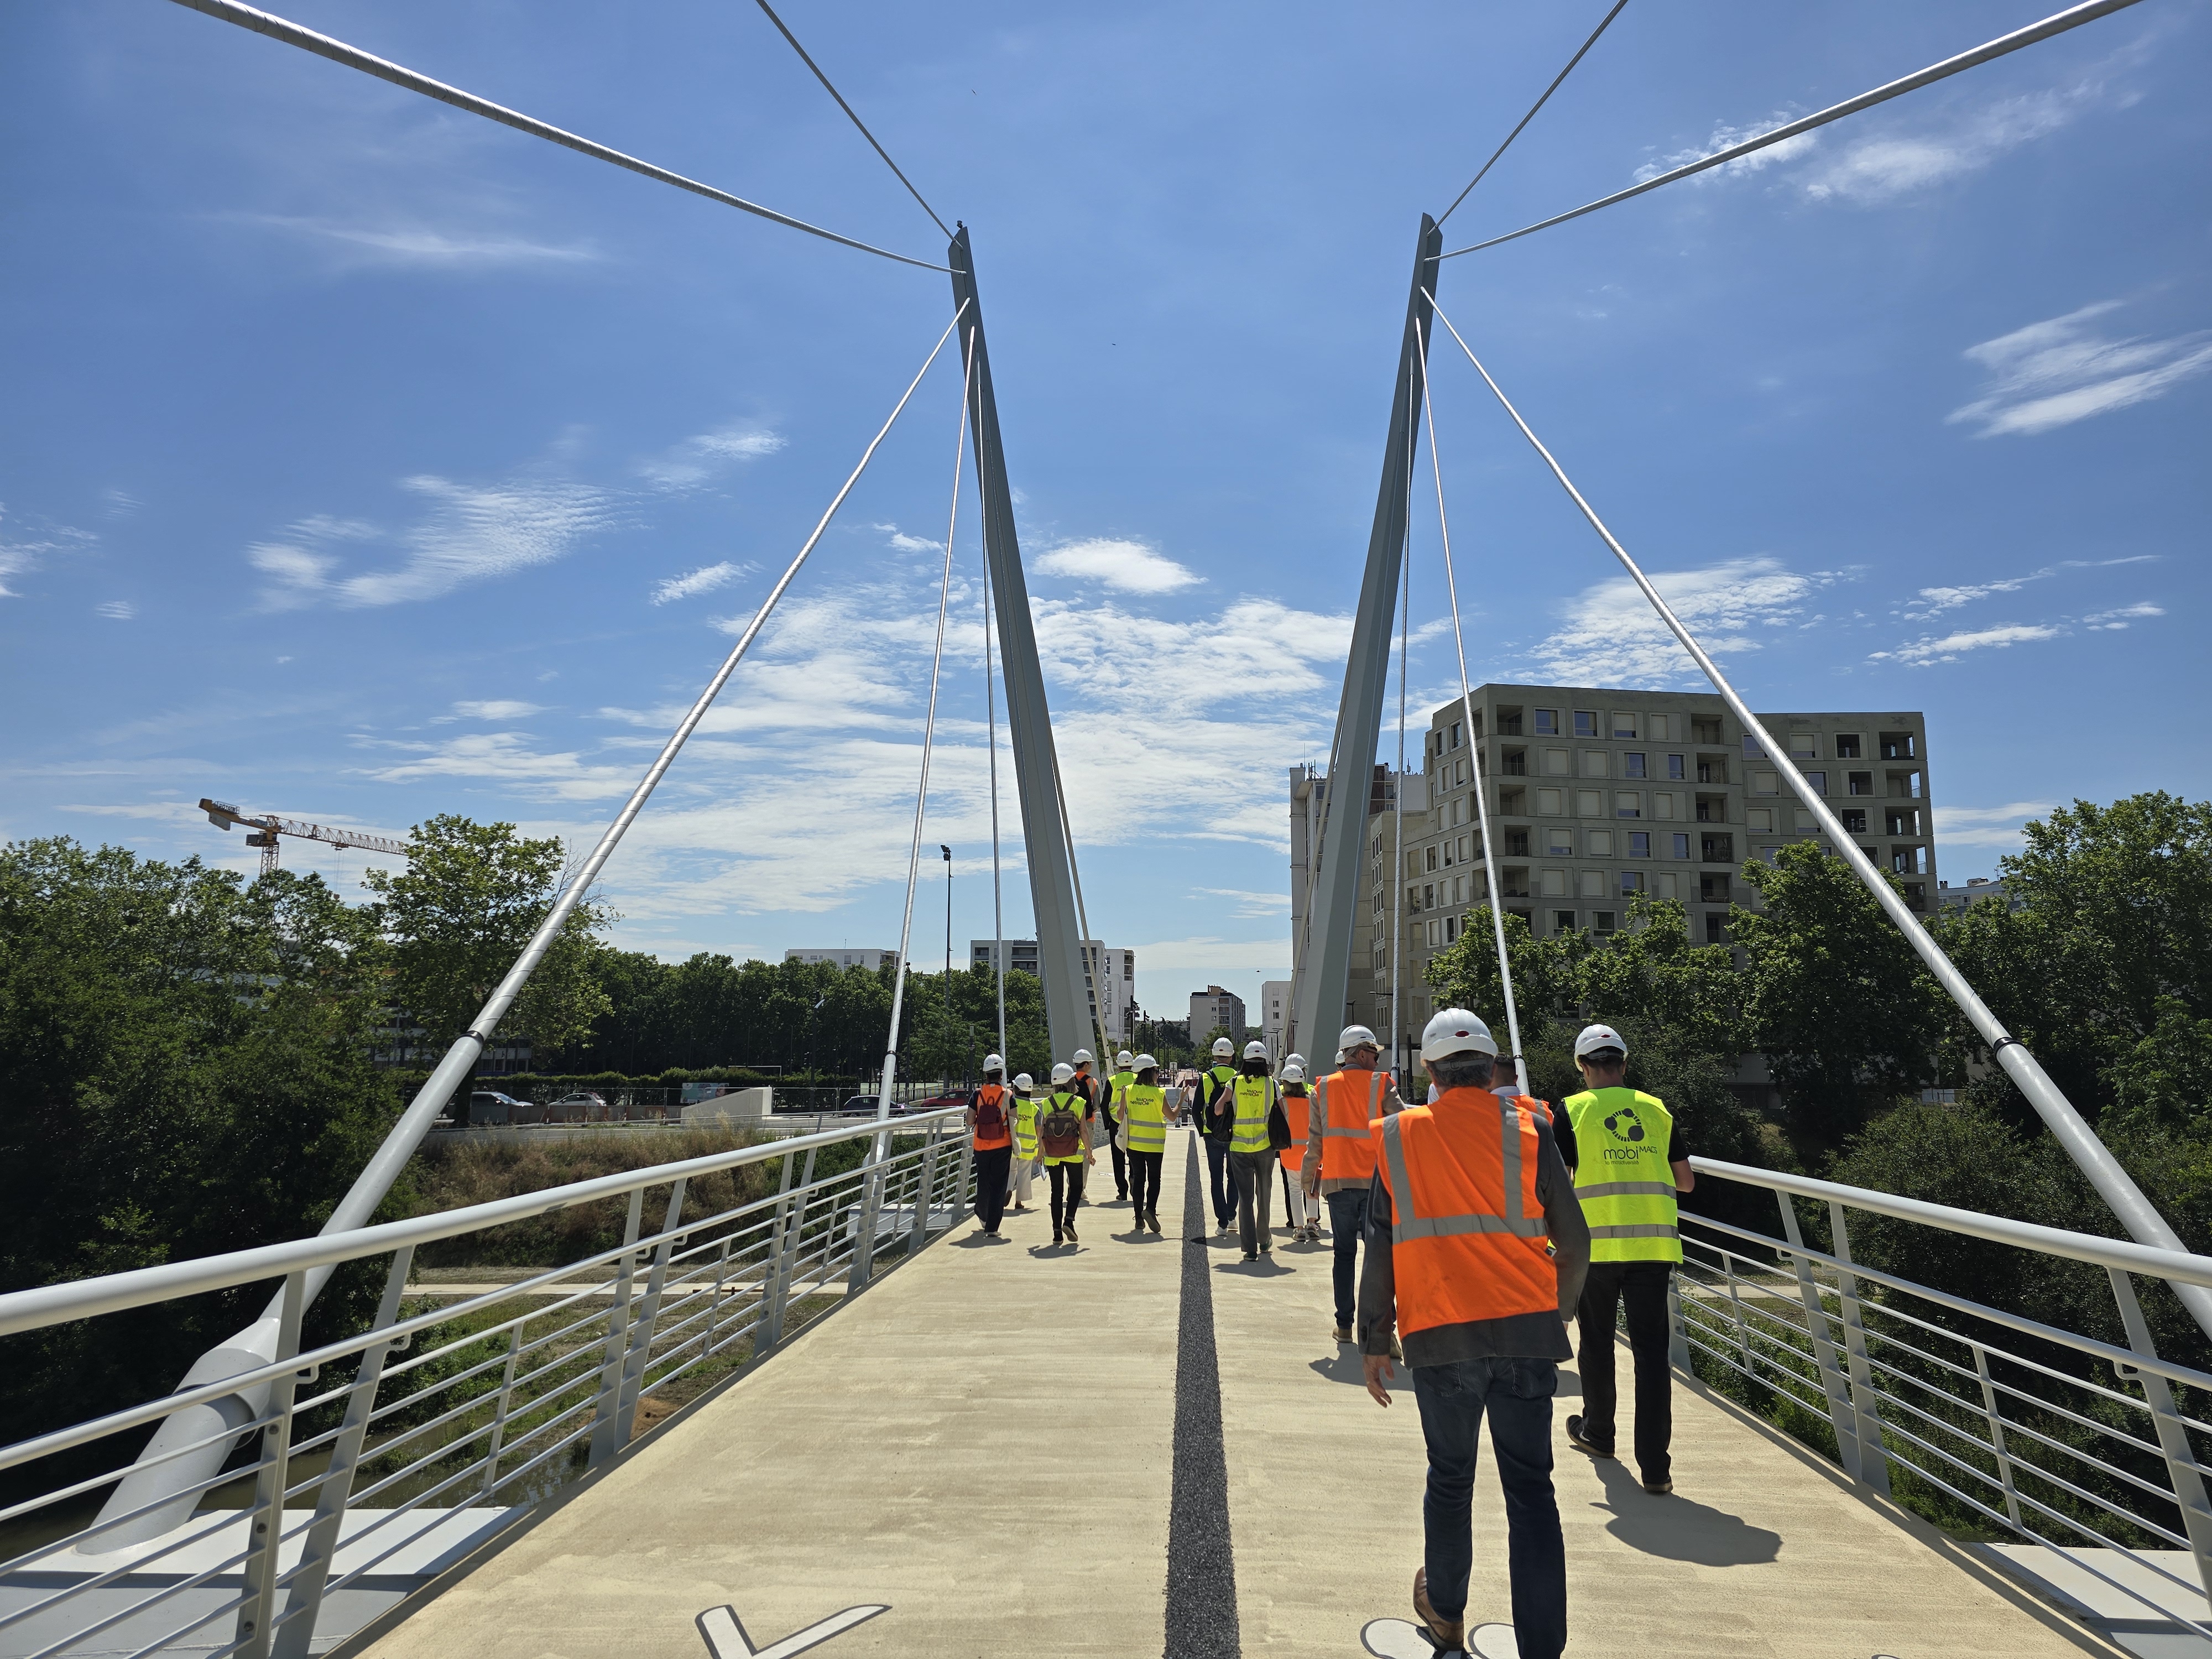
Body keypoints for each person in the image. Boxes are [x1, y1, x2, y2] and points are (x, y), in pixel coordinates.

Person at [1359, 1009, 1590, 1659]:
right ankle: (1542, 1646)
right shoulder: (1531, 1128)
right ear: (1491, 1068)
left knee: (1451, 1476)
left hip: (1439, 1332)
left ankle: (1446, 1614)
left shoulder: (1399, 1136)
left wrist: (1376, 1340)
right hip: (1525, 1332)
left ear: (1428, 1071)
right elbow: (1574, 1242)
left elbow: (1378, 1244)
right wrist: (1557, 1312)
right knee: (1531, 1490)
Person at [1561, 1022, 1693, 1497]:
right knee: (1652, 1357)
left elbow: (1557, 1183)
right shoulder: (1656, 1111)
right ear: (1624, 1064)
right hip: (1653, 1248)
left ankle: (1598, 1433)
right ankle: (1656, 1468)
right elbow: (1686, 1182)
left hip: (1596, 1248)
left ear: (1582, 1067)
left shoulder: (1571, 1112)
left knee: (1596, 1344)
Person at [1302, 1024, 1405, 1343]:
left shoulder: (1322, 1089)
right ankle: (1383, 1333)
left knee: (1344, 1255)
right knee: (1381, 1258)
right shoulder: (1382, 1085)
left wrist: (1308, 1179)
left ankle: (1345, 1326)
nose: (1377, 1061)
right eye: (1374, 1054)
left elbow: (1316, 1141)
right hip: (1377, 1186)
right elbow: (1403, 1128)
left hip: (1338, 1184)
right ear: (1361, 1053)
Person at [1225, 1040, 1279, 1261]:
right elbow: (1283, 1113)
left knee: (1245, 1198)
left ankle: (1249, 1249)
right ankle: (1264, 1238)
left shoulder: (1235, 1083)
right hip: (1265, 1147)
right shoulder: (1272, 1084)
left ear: (1245, 1062)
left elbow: (1219, 1108)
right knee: (1263, 1194)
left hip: (1239, 1148)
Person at [1038, 1061, 1095, 1245]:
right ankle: (1069, 1220)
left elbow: (1042, 1132)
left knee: (1057, 1192)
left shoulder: (1046, 1103)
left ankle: (1056, 1233)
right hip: (1073, 1152)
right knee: (1076, 1187)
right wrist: (1089, 1153)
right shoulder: (1079, 1102)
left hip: (1052, 1153)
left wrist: (1040, 1154)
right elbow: (1084, 1131)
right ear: (1072, 1082)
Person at [1197, 1036, 1241, 1237]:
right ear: (1232, 1058)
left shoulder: (1206, 1078)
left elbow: (1196, 1108)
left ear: (1214, 1056)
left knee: (1216, 1179)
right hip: (1234, 1134)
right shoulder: (1239, 1078)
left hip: (1212, 1134)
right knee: (1234, 1177)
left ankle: (1222, 1223)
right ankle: (1232, 1217)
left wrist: (1203, 1130)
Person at [967, 1054, 1015, 1237]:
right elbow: (1014, 1120)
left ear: (985, 1075)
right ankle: (992, 1227)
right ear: (1001, 1075)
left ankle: (982, 1212)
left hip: (981, 1145)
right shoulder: (1008, 1095)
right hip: (1002, 1145)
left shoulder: (977, 1095)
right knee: (999, 1186)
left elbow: (970, 1121)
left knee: (984, 1181)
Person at [1120, 1053, 1169, 1233]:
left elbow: (1119, 1116)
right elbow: (1172, 1116)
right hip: (1155, 1145)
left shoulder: (1129, 1090)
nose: (1158, 1074)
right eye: (1156, 1071)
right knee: (1154, 1179)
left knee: (1139, 1179)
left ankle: (1139, 1219)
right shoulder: (1159, 1094)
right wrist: (1181, 1101)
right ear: (1150, 1073)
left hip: (1134, 1145)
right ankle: (1151, 1210)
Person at [1277, 1062, 1314, 1242]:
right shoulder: (1311, 1102)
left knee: (1295, 1191)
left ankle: (1299, 1228)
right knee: (1311, 1189)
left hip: (1290, 1153)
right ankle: (1313, 1224)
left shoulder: (1283, 1103)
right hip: (1311, 1152)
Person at [1070, 1047, 1108, 1206]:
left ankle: (1071, 1186)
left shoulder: (1067, 1080)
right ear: (1085, 1065)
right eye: (1090, 1064)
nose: (1091, 1066)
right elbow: (1097, 1105)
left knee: (1071, 1156)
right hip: (1088, 1123)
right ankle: (1081, 1189)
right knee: (1086, 1156)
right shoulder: (1093, 1082)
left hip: (1069, 1124)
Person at [1104, 1049, 1136, 1202]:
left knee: (1118, 1159)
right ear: (1132, 1065)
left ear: (1118, 1066)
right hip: (1133, 1124)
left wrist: (1107, 1124)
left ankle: (1122, 1191)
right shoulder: (1137, 1079)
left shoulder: (1112, 1081)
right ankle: (1134, 1178)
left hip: (1116, 1125)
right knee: (1134, 1156)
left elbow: (1104, 1105)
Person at [1008, 1072, 1041, 1214]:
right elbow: (1039, 1130)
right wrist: (1041, 1149)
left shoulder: (1010, 1104)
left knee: (1010, 1171)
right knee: (1024, 1174)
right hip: (1028, 1148)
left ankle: (1007, 1190)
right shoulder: (1034, 1109)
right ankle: (1019, 1201)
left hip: (1011, 1145)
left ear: (1015, 1088)